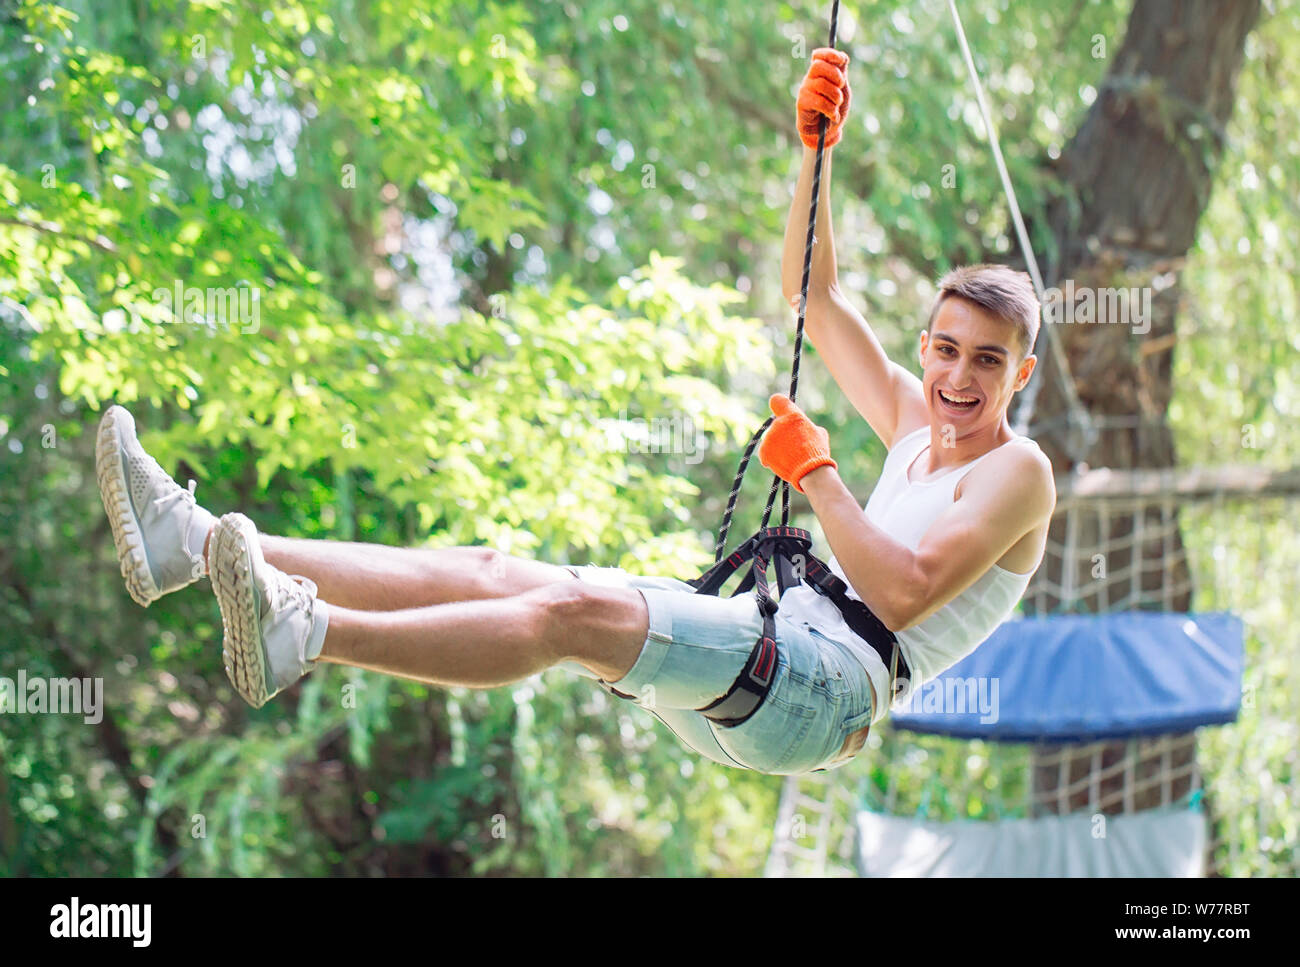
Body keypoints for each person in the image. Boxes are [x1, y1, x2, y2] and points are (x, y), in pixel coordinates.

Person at [94, 48, 1054, 776]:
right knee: (496, 570)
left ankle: (304, 630)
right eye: (944, 348)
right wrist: (814, 151)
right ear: (926, 346)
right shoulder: (914, 425)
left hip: (823, 688)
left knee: (563, 614)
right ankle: (192, 539)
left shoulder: (1020, 473)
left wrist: (820, 479)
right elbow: (819, 296)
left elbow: (909, 588)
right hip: (774, 647)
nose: (958, 377)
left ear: (1020, 373)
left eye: (987, 361)